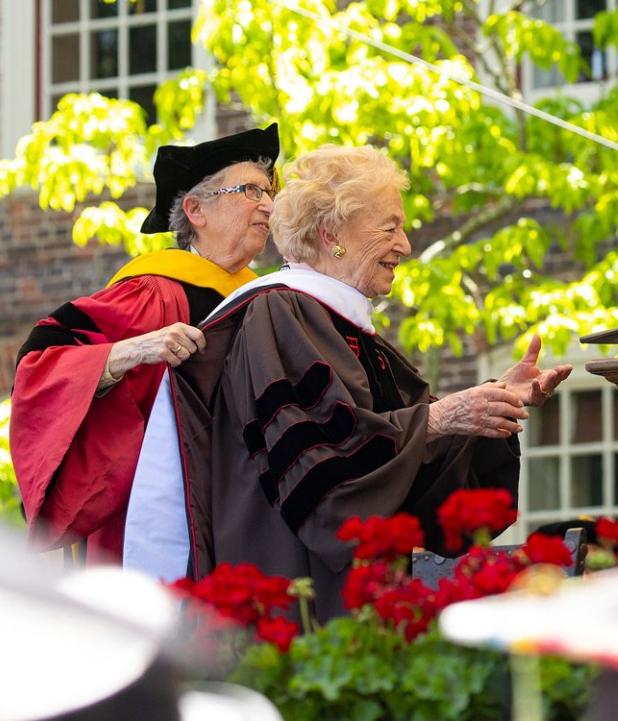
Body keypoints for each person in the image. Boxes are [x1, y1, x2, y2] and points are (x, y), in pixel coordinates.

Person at [123, 144, 572, 622]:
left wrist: (487, 406)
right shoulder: (279, 315)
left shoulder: (340, 326)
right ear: (331, 233)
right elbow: (324, 463)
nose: (404, 246)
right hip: (296, 584)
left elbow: (400, 447)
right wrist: (440, 419)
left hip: (348, 587)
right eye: (390, 226)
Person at [11, 124, 282, 565]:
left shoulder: (267, 301)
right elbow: (40, 364)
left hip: (246, 522)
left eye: (270, 192)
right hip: (160, 524)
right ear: (196, 210)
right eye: (251, 190)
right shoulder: (155, 294)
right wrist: (133, 351)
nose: (269, 205)